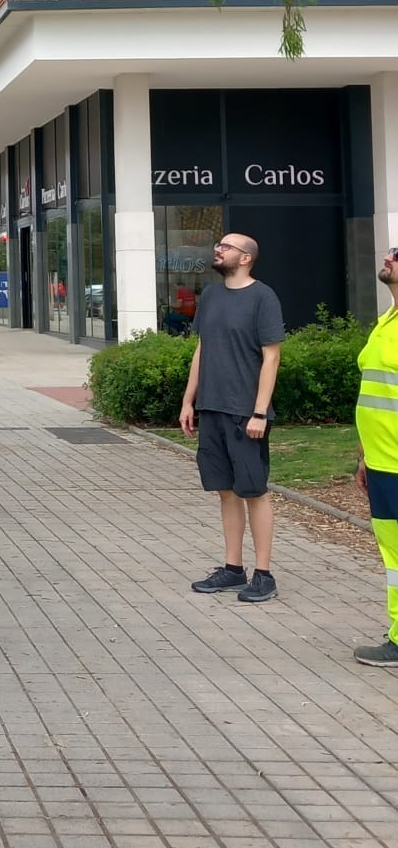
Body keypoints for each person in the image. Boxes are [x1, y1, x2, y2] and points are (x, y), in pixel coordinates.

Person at [182, 232, 285, 603]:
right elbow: (202, 348)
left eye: (226, 247)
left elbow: (271, 358)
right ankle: (232, 568)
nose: (218, 249)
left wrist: (259, 411)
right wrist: (188, 400)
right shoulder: (210, 296)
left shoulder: (263, 297)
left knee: (253, 491)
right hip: (211, 408)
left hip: (246, 413)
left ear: (245, 258)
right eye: (219, 245)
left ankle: (264, 575)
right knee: (225, 491)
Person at [353, 244, 398, 666]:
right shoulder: (387, 321)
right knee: (394, 555)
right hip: (383, 463)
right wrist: (365, 454)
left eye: (397, 254)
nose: (387, 257)